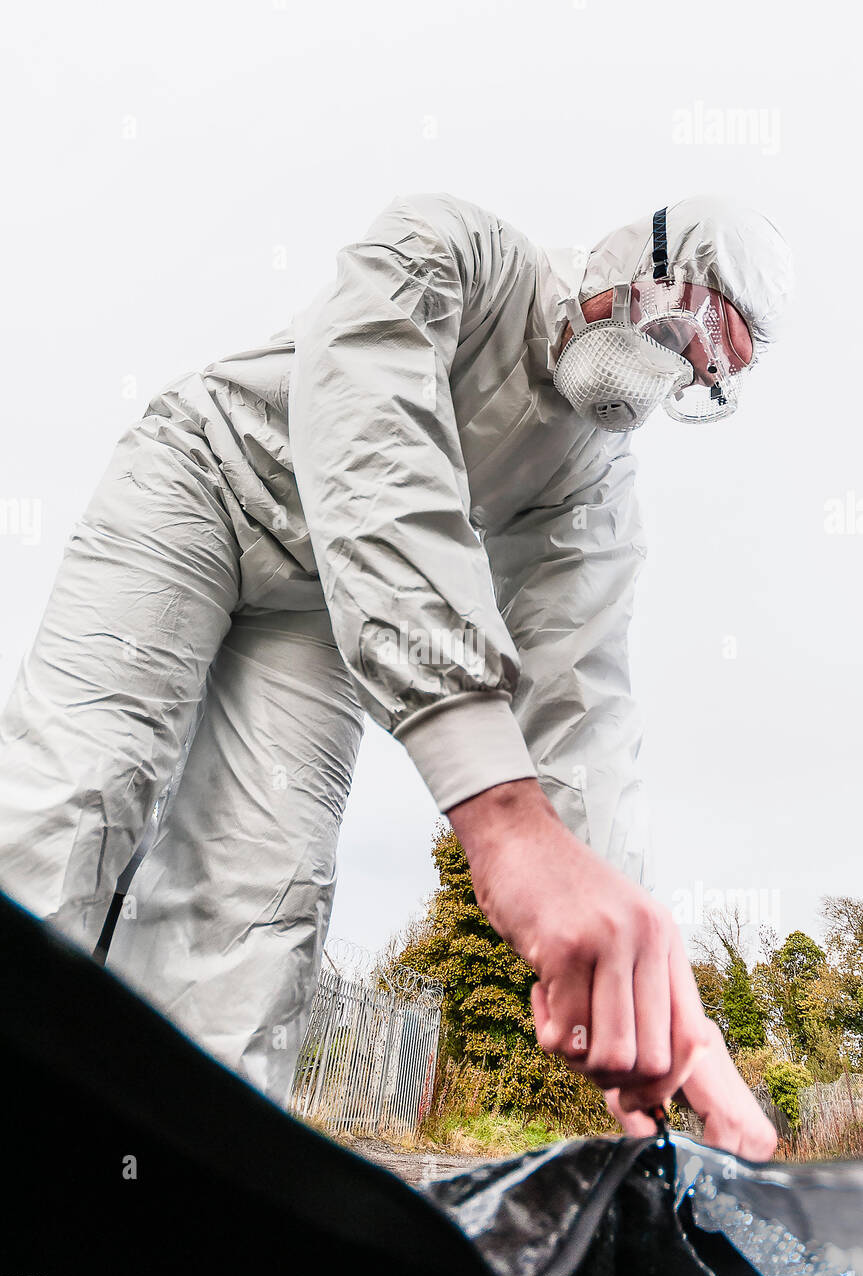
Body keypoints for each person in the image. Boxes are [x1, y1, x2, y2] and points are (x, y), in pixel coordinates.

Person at [0, 192, 793, 1157]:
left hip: (321, 617)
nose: (676, 369)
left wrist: (666, 1007)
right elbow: (376, 467)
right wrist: (499, 817)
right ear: (642, 257)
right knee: (81, 789)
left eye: (710, 373)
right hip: (204, 483)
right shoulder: (449, 251)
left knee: (256, 912)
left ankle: (159, 1201)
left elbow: (586, 711)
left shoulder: (593, 484)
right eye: (693, 329)